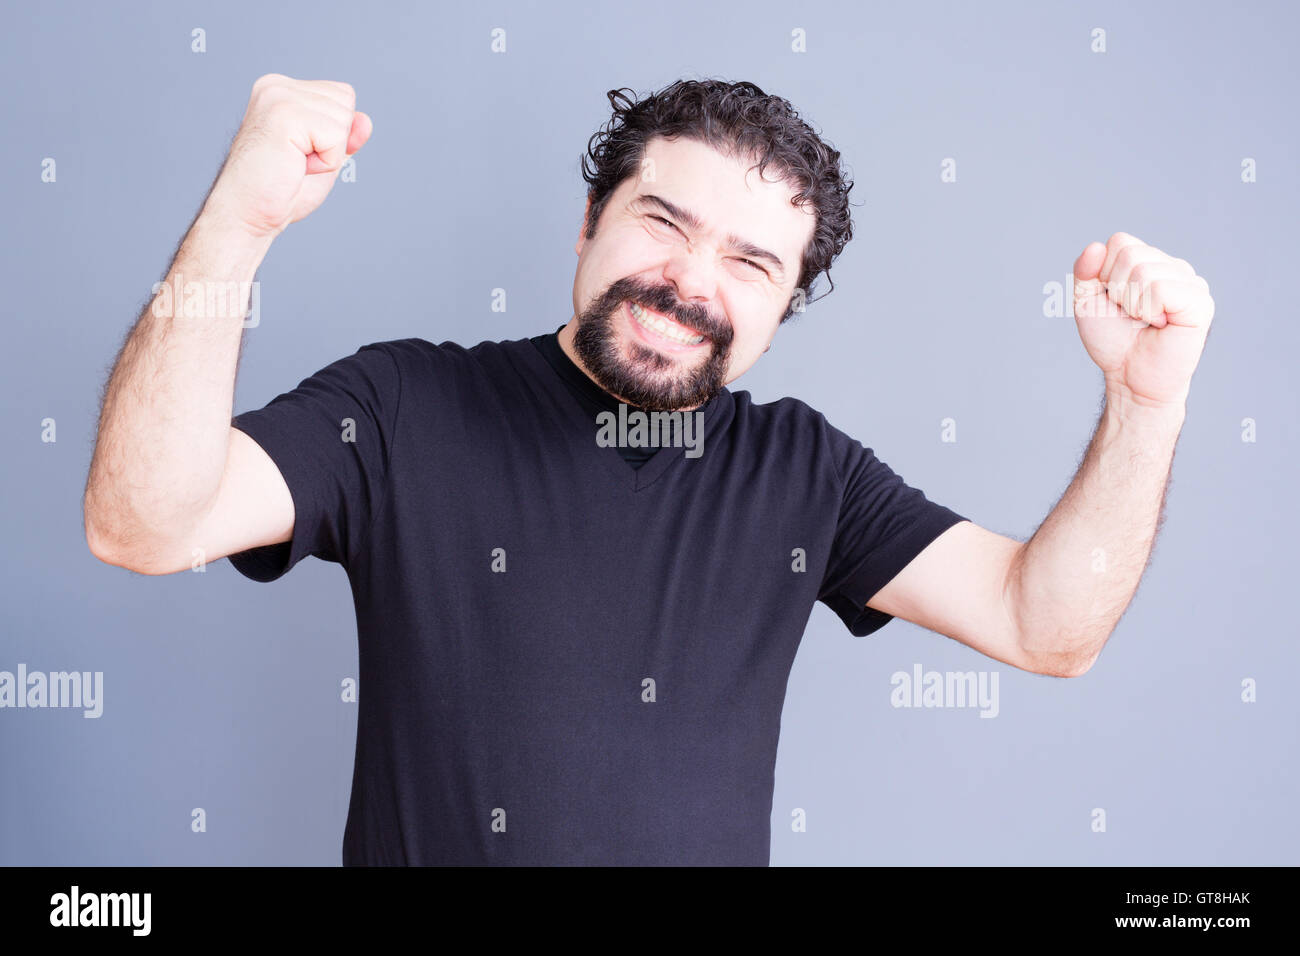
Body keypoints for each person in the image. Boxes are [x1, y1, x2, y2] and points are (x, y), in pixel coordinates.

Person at [83, 75, 1214, 865]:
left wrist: (1143, 401)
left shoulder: (804, 473)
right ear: (588, 220)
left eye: (749, 260)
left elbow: (1044, 625)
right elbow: (140, 521)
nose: (688, 280)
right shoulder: (400, 406)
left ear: (783, 305)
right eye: (662, 220)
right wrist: (243, 216)